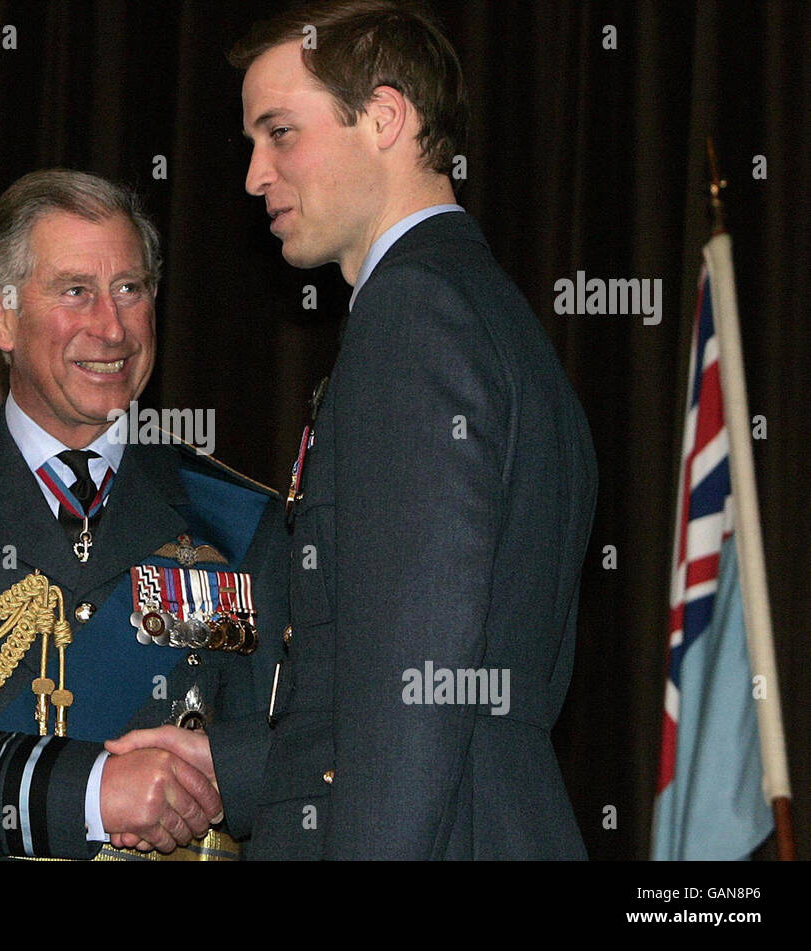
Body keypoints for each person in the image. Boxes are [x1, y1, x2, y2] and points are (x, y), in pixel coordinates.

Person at [125, 1, 597, 859]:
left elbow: (415, 704)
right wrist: (229, 763)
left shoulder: (414, 316)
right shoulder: (478, 305)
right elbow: (402, 697)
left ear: (384, 118)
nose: (254, 175)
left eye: (280, 133)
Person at [0, 169, 286, 859]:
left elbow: (305, 743)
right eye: (76, 291)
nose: (112, 325)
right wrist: (94, 790)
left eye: (131, 288)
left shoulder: (239, 517)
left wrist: (223, 779)